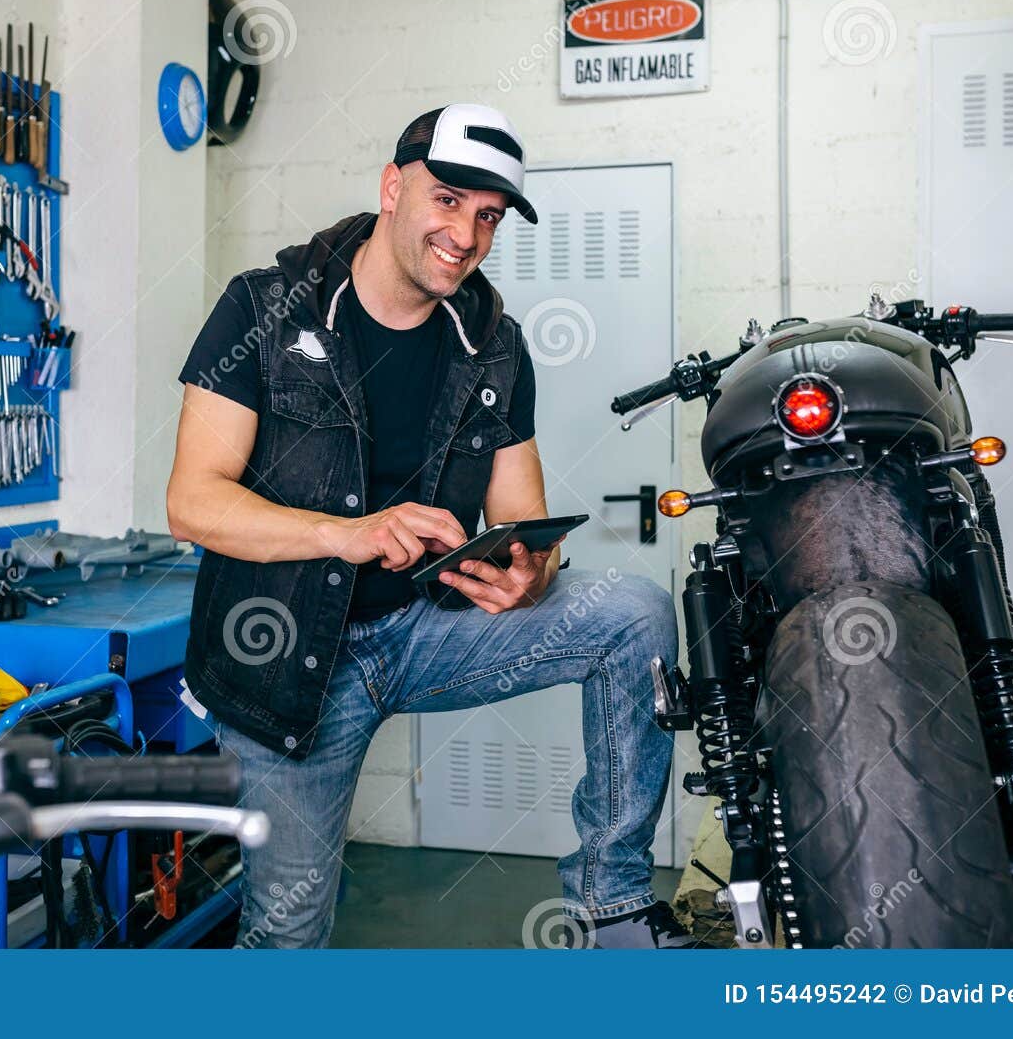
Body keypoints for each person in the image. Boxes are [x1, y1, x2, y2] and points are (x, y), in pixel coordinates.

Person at [168, 104, 688, 948]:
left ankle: (612, 902)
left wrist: (532, 568)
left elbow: (521, 516)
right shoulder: (263, 308)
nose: (466, 233)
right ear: (392, 188)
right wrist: (352, 533)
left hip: (425, 630)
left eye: (487, 216)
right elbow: (193, 499)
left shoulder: (494, 341)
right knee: (289, 932)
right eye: (448, 200)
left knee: (635, 614)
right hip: (292, 659)